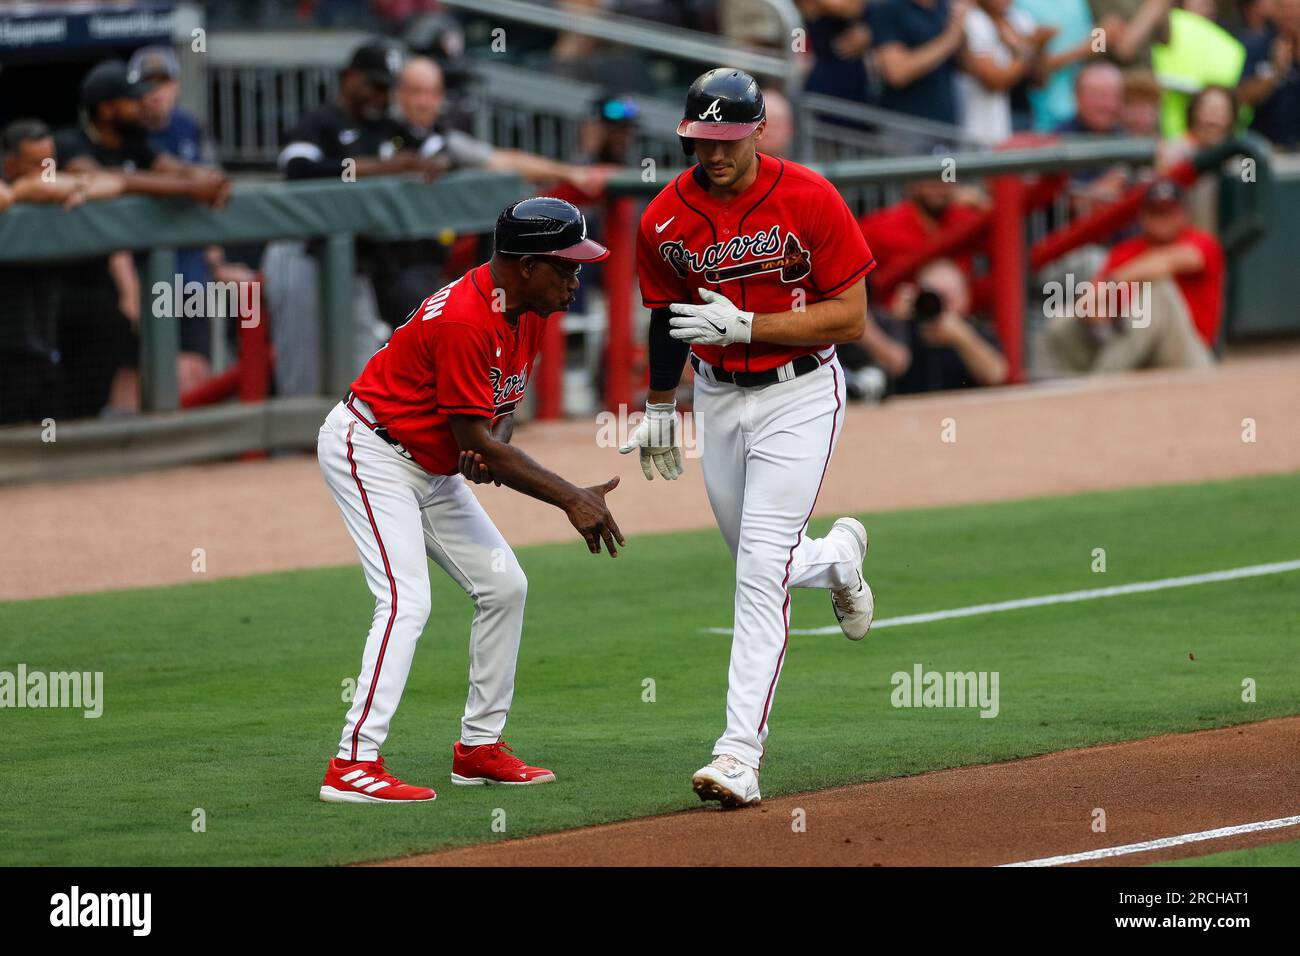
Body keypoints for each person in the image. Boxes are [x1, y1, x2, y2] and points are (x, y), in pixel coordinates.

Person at [624, 69, 877, 810]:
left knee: (759, 573)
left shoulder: (810, 196)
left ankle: (738, 754)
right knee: (762, 562)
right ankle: (838, 559)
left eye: (729, 139)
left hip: (800, 393)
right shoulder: (664, 217)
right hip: (718, 399)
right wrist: (661, 404)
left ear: (759, 129)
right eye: (701, 141)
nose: (715, 154)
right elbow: (666, 312)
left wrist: (751, 326)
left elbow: (851, 316)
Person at [317, 197, 623, 803]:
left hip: (429, 465)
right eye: (566, 267)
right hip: (372, 450)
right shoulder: (466, 318)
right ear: (526, 265)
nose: (575, 279)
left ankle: (479, 748)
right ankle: (352, 762)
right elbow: (475, 438)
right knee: (405, 601)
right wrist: (570, 497)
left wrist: (487, 446)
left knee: (505, 586)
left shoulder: (529, 308)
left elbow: (495, 418)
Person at [53, 60, 230, 417]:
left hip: (122, 281)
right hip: (69, 283)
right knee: (73, 380)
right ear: (106, 109)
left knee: (123, 368)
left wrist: (206, 177)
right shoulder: (71, 141)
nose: (141, 105)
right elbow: (108, 179)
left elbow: (168, 166)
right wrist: (188, 187)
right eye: (131, 100)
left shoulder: (135, 140)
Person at [1045, 178, 1222, 372]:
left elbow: (1169, 261)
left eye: (1169, 212)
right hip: (1132, 349)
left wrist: (1110, 282)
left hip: (1185, 356)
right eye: (1156, 212)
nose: (1162, 218)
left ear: (1185, 214)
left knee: (1157, 291)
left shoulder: (1201, 242)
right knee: (1063, 323)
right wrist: (1094, 310)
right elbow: (1095, 302)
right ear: (1142, 216)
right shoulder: (1125, 251)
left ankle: (1100, 385)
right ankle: (1073, 392)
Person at [878, 258, 1008, 392]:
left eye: (948, 297)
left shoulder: (975, 330)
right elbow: (880, 370)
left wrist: (962, 338)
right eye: (935, 296)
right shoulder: (905, 327)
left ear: (965, 297)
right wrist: (895, 322)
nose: (941, 305)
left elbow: (996, 375)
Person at [957, 0, 1052, 144]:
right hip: (985, 123)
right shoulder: (973, 20)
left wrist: (1040, 48)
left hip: (1024, 115)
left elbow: (1040, 81)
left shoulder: (1021, 18)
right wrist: (1029, 48)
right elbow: (994, 81)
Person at [870, 0, 968, 127]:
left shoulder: (946, 8)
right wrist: (949, 39)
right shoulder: (889, 8)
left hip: (945, 128)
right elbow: (897, 73)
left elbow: (966, 68)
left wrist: (962, 30)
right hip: (904, 127)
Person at [1237, 0, 1300, 149]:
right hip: (1264, 145)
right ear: (1275, 11)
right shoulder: (1256, 44)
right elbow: (1243, 97)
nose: (1291, 14)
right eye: (1286, 8)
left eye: (1296, 7)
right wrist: (1276, 71)